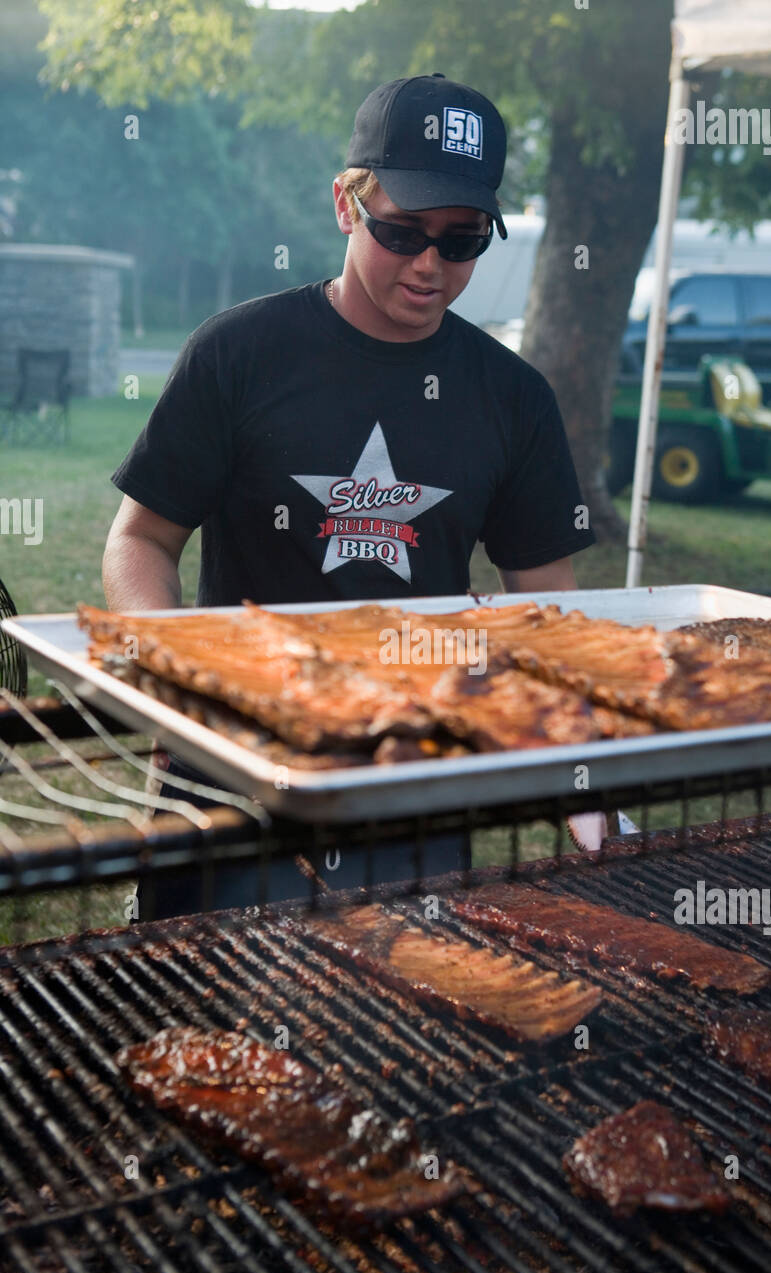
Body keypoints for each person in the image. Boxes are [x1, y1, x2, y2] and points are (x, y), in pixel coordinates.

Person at [102, 73, 599, 918]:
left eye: (464, 238)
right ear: (345, 203)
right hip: (233, 770)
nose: (431, 264)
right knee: (202, 1019)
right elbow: (140, 539)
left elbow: (545, 600)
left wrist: (578, 754)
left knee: (404, 1022)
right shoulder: (238, 354)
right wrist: (173, 680)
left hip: (415, 783)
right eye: (401, 231)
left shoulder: (512, 397)